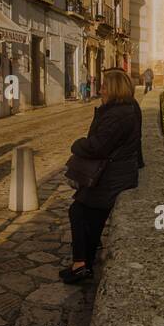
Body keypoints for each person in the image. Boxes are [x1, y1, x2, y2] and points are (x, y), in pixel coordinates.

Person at [61, 68, 143, 283]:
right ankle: (84, 264)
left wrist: (77, 144)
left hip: (110, 178)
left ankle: (80, 264)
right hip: (119, 174)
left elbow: (97, 147)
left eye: (105, 86)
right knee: (93, 220)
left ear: (115, 89)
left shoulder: (117, 115)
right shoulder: (127, 108)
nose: (101, 89)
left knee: (78, 211)